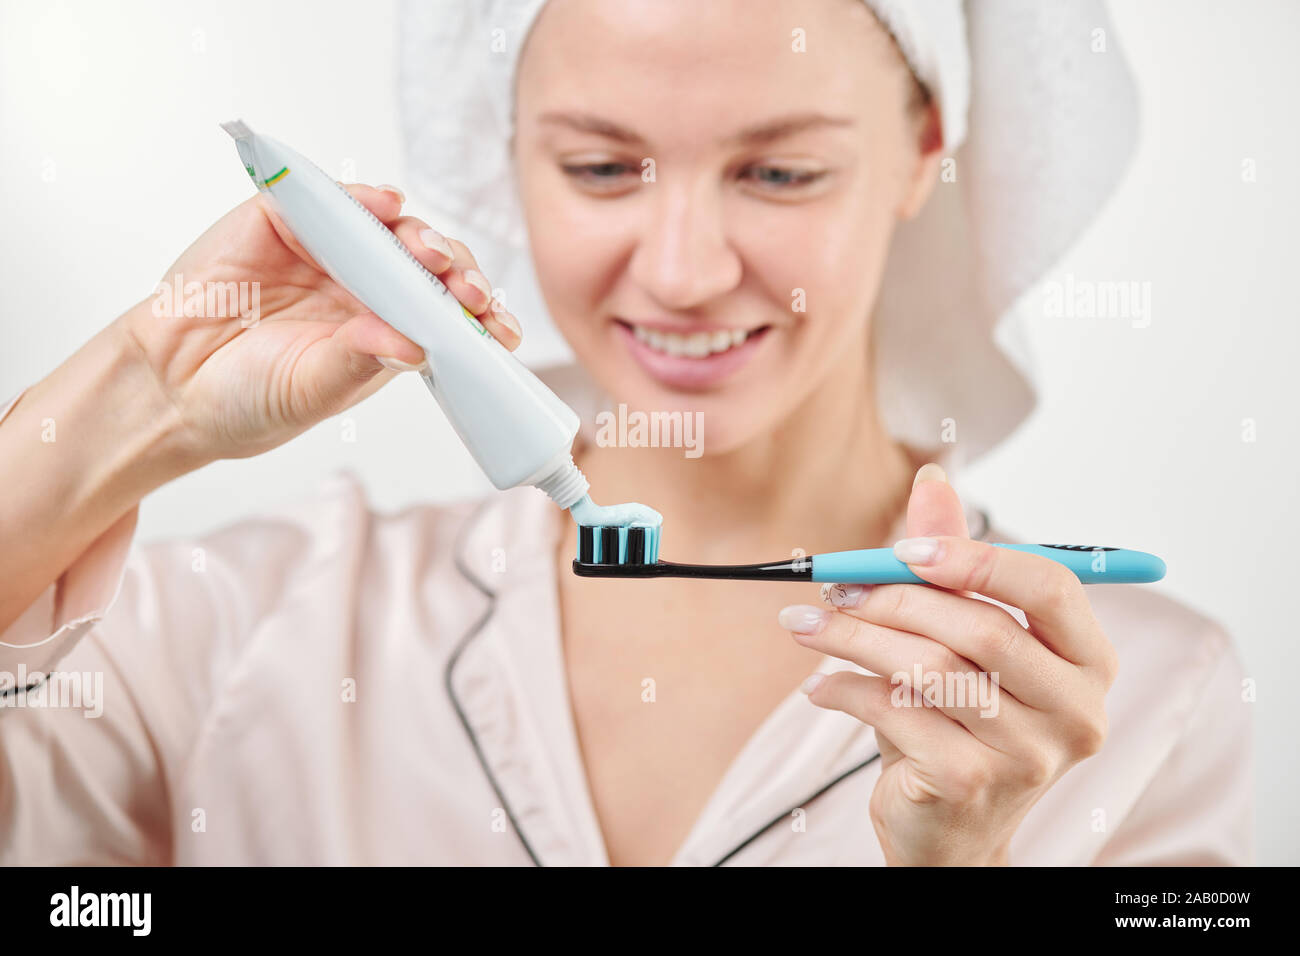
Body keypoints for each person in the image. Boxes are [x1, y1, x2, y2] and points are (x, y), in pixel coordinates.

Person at [0, 0, 1251, 866]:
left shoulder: (1139, 697)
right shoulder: (227, 631)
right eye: (602, 168)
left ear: (927, 148)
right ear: (504, 154)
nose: (685, 268)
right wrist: (140, 393)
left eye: (778, 173)